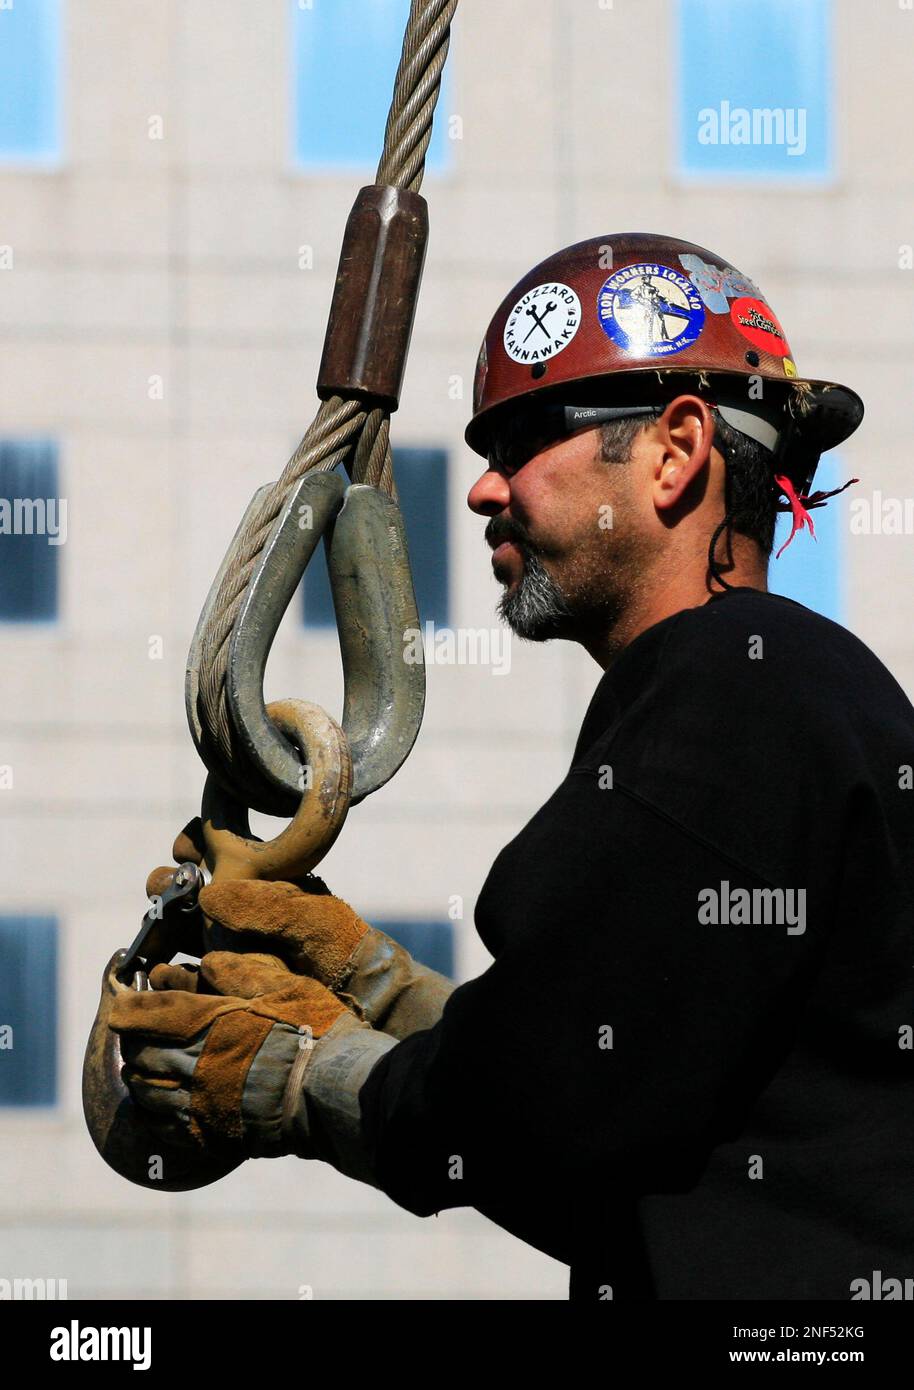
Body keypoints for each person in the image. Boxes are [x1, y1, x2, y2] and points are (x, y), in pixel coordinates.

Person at [110, 234, 914, 1301]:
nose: (483, 490)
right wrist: (372, 980)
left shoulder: (729, 689)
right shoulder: (794, 693)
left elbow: (541, 1104)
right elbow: (601, 1117)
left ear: (674, 451)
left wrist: (303, 1078)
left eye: (526, 435)